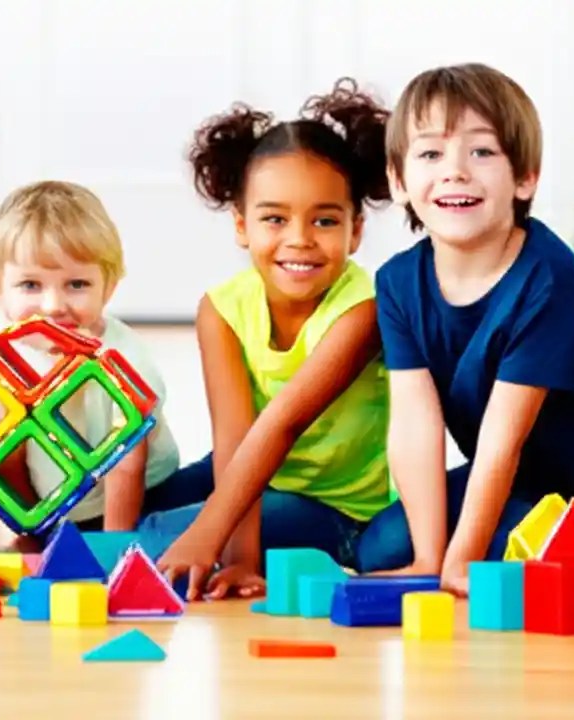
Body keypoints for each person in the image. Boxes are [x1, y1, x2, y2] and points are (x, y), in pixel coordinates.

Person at [352, 64, 574, 595]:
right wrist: (431, 560)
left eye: (482, 151)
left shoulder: (548, 273)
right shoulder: (399, 284)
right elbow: (415, 427)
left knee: (524, 550)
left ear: (525, 177)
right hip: (505, 484)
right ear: (399, 181)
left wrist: (462, 560)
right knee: (383, 546)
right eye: (431, 154)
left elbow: (502, 439)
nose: (455, 172)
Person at [152, 78, 393, 600]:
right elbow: (234, 440)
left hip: (337, 506)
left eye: (325, 220)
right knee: (143, 508)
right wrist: (232, 553)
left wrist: (230, 552)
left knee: (161, 537)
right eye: (274, 219)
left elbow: (281, 424)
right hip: (254, 473)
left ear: (355, 231)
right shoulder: (220, 309)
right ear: (241, 225)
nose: (299, 239)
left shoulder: (364, 310)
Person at [0, 181, 181, 548]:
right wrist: (30, 529)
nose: (53, 306)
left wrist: (115, 549)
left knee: (154, 541)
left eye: (77, 284)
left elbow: (126, 466)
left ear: (109, 286)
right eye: (30, 285)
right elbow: (0, 451)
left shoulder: (125, 361)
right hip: (55, 493)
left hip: (141, 495)